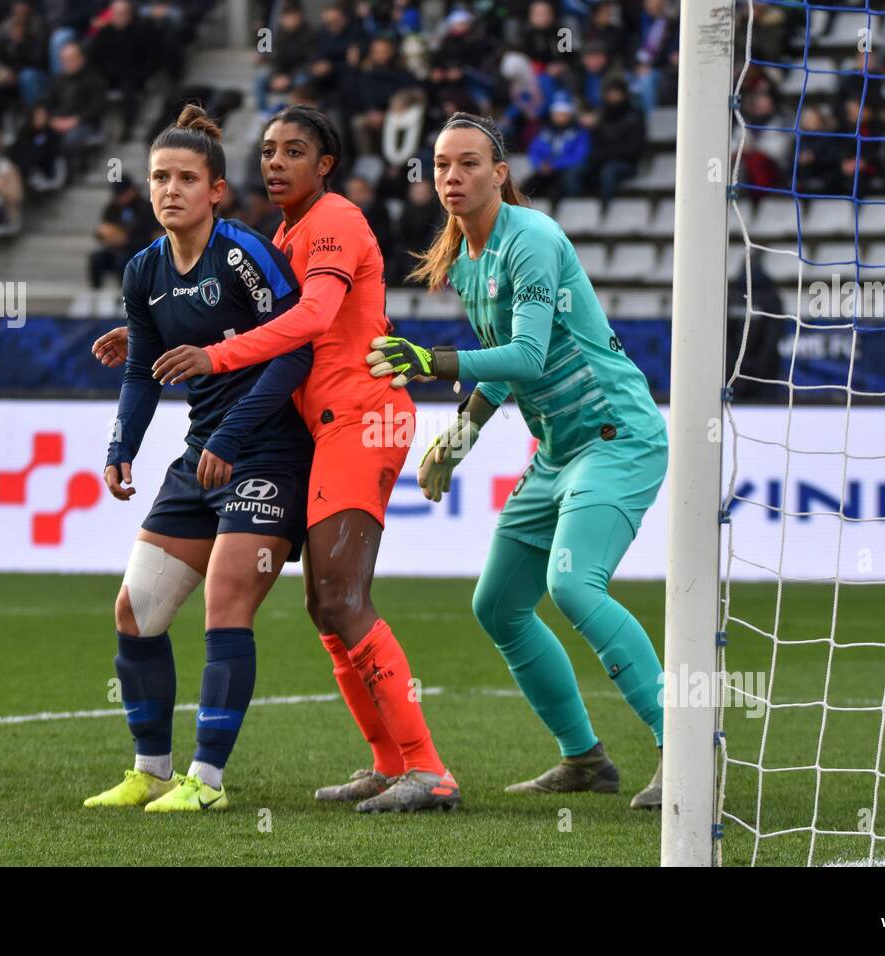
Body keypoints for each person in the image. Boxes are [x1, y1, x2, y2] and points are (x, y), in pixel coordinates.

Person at [92, 104, 460, 813]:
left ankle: (428, 767)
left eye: (295, 151)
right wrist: (152, 327)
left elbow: (312, 321)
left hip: (364, 417)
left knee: (342, 598)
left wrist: (213, 353)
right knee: (326, 605)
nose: (276, 163)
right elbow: (243, 307)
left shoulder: (337, 222)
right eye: (268, 151)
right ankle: (388, 763)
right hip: (320, 428)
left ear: (327, 165)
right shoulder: (284, 235)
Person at [367, 112, 667, 809]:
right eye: (442, 164)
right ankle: (585, 759)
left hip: (615, 436)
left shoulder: (530, 239)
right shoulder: (467, 259)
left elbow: (528, 355)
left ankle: (684, 749)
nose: (452, 176)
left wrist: (428, 361)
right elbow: (506, 371)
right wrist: (461, 439)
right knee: (498, 605)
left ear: (499, 174)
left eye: (469, 163)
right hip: (560, 449)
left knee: (572, 586)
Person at [82, 104, 315, 814]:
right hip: (202, 454)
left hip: (266, 453)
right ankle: (151, 771)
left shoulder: (241, 254)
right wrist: (122, 447)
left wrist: (232, 437)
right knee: (136, 610)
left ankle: (206, 781)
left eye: (186, 177)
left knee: (225, 601)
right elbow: (142, 369)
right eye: (159, 177)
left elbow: (295, 347)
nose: (170, 189)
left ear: (216, 190)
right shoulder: (144, 269)